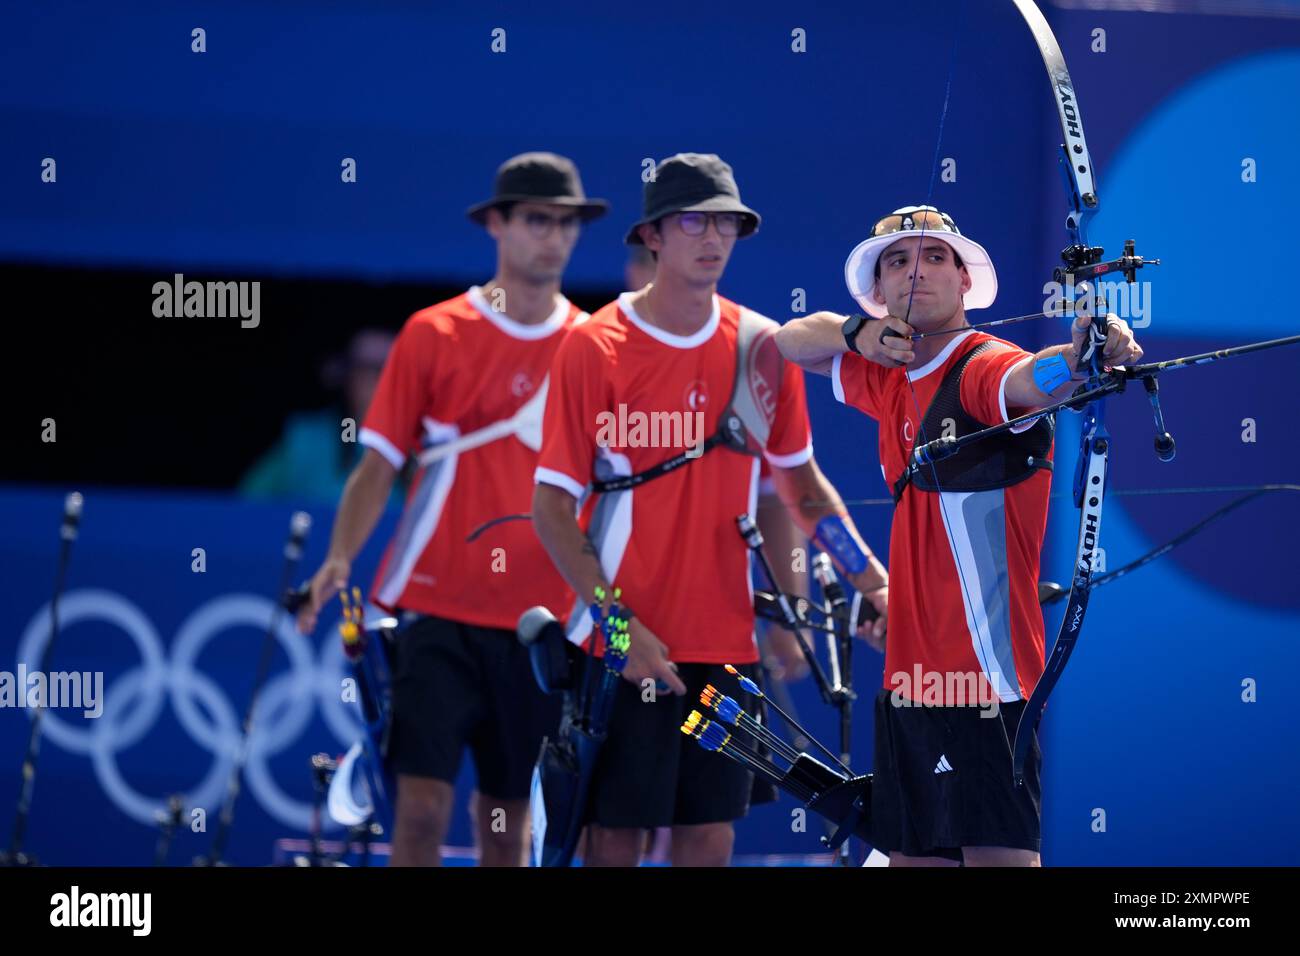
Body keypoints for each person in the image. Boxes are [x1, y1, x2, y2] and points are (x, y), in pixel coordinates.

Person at [531, 153, 888, 867]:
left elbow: (803, 490)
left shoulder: (761, 347)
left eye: (726, 221)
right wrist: (620, 629)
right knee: (613, 844)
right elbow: (548, 509)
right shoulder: (592, 346)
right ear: (654, 236)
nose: (713, 236)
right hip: (621, 647)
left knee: (708, 844)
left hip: (725, 651)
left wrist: (873, 581)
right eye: (694, 220)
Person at [774, 204, 1143, 867]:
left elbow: (1032, 378)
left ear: (965, 281)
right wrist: (856, 332)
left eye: (935, 256)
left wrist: (1084, 353)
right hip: (909, 679)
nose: (916, 270)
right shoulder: (885, 376)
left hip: (985, 684)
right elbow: (789, 340)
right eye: (897, 260)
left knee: (1000, 863)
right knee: (916, 862)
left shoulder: (980, 366)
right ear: (879, 291)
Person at [295, 152, 608, 866]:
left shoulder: (594, 347)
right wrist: (339, 558)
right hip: (434, 614)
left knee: (507, 823)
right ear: (496, 225)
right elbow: (376, 467)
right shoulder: (434, 333)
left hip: (542, 625)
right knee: (419, 809)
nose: (551, 237)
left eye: (565, 223)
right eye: (535, 220)